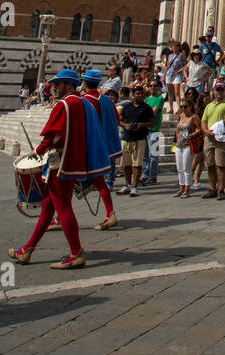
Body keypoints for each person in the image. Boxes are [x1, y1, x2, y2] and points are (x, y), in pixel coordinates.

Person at [9, 69, 107, 270]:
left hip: (60, 162)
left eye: (59, 83)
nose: (53, 87)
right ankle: (27, 249)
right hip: (73, 159)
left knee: (62, 206)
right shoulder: (83, 103)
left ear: (69, 86)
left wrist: (38, 150)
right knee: (48, 207)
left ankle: (76, 252)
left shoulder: (65, 104)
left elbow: (54, 135)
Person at [78, 69, 121, 230]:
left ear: (84, 83)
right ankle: (110, 213)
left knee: (64, 181)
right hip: (105, 147)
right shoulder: (107, 100)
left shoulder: (85, 101)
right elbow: (116, 120)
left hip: (90, 148)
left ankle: (110, 214)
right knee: (99, 182)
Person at [200, 82, 225, 200]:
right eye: (217, 89)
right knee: (210, 164)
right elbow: (204, 120)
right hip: (209, 138)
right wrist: (206, 131)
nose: (219, 92)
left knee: (220, 164)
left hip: (221, 138)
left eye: (222, 89)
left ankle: (221, 188)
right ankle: (212, 188)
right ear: (214, 91)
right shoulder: (209, 105)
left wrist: (214, 130)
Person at [118, 85, 155, 197]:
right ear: (133, 95)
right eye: (137, 93)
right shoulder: (127, 106)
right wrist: (125, 125)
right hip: (127, 137)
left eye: (141, 93)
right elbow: (119, 120)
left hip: (140, 138)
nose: (140, 95)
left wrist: (141, 125)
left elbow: (151, 122)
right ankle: (127, 184)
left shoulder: (147, 108)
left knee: (137, 164)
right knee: (126, 164)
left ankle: (135, 186)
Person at [173, 100, 202, 198]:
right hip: (179, 144)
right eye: (182, 106)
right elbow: (178, 128)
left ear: (190, 106)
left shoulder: (194, 117)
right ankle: (181, 188)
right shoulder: (181, 116)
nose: (184, 109)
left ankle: (187, 188)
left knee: (187, 167)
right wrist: (177, 136)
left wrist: (192, 135)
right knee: (179, 168)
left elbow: (199, 128)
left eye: (185, 106)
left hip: (188, 144)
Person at [143, 81, 166, 185]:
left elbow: (154, 112)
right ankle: (145, 174)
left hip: (154, 128)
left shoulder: (160, 98)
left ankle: (152, 176)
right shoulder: (146, 99)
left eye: (155, 85)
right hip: (145, 128)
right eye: (150, 85)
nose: (152, 87)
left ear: (158, 87)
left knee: (153, 154)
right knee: (145, 154)